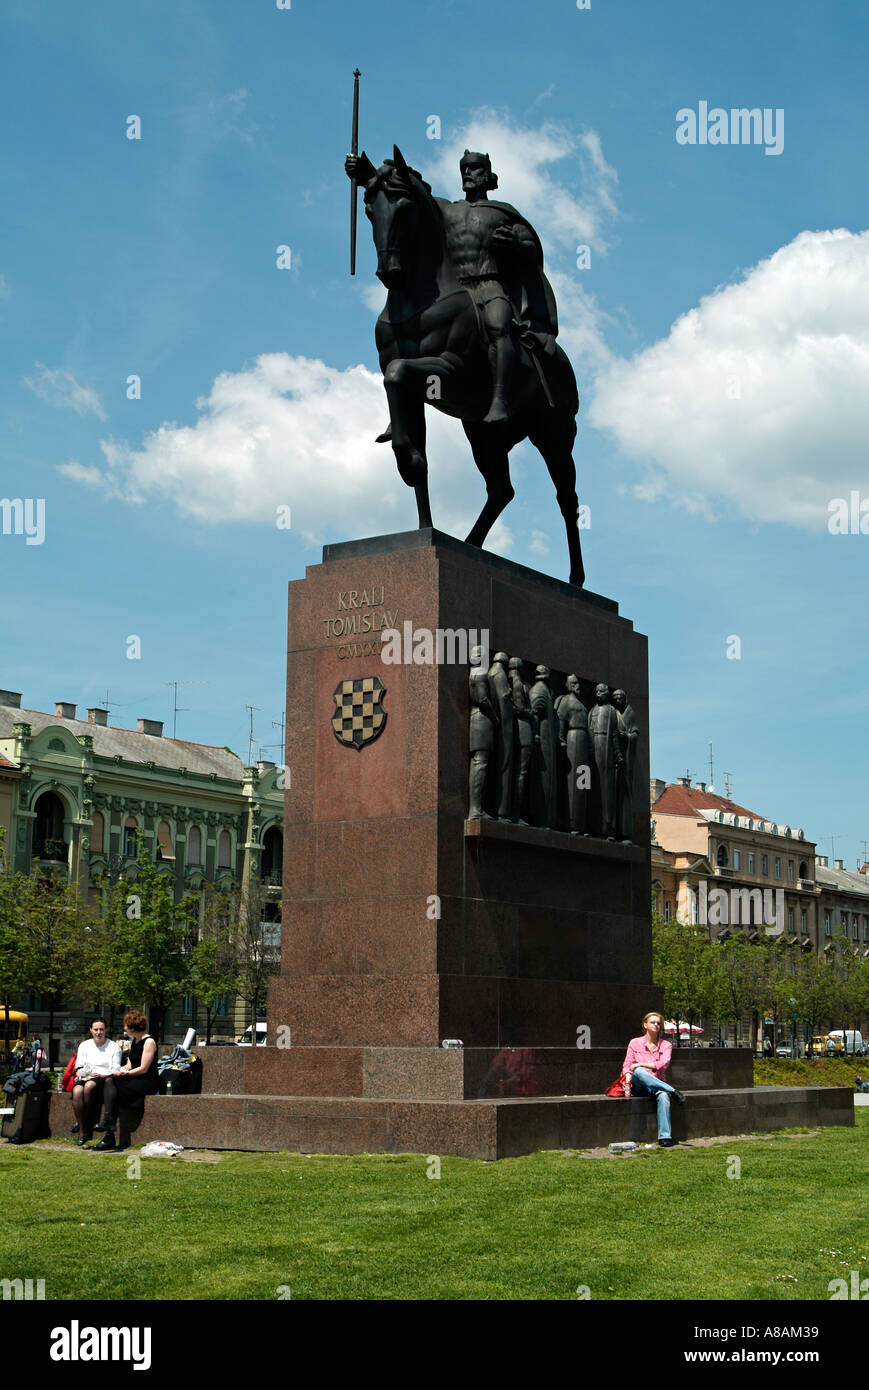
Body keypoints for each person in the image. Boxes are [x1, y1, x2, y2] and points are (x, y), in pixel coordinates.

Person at [89, 1011, 158, 1152]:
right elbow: (130, 1064)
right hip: (134, 1077)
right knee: (110, 1081)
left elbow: (144, 1069)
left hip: (146, 1081)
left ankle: (108, 1128)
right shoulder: (135, 1041)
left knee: (113, 1084)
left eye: (126, 1025)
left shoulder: (149, 1041)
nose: (124, 1028)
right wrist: (119, 1070)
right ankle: (109, 1125)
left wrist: (123, 1073)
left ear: (132, 1026)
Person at [622, 1011, 686, 1147]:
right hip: (638, 1086)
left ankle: (665, 1137)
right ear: (645, 1025)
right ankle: (673, 1090)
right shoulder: (635, 1043)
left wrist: (641, 1064)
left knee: (663, 1096)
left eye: (658, 1023)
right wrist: (627, 1083)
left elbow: (662, 1064)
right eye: (652, 1022)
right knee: (638, 1071)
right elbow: (627, 1066)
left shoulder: (666, 1045)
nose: (656, 1025)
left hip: (656, 1085)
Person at [71, 1018, 121, 1147]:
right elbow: (78, 1067)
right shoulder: (84, 1045)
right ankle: (82, 1130)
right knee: (77, 1091)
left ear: (106, 1030)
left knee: (89, 1087)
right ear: (91, 1030)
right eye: (96, 1029)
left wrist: (102, 1074)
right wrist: (82, 1074)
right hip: (85, 1076)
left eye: (101, 1029)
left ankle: (86, 1124)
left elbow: (115, 1068)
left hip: (103, 1078)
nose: (99, 1032)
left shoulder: (113, 1046)